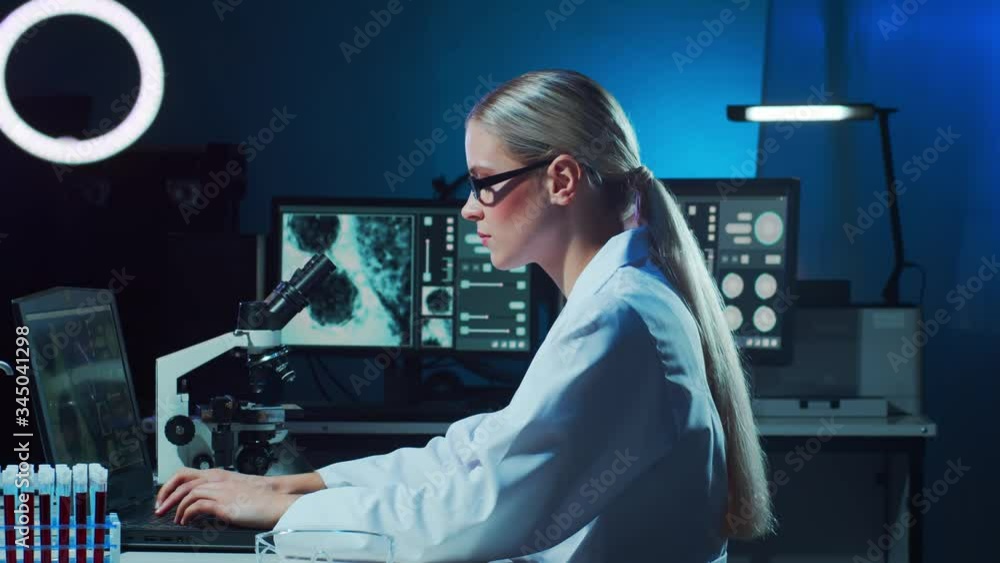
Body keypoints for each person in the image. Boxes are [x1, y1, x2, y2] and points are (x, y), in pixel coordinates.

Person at [154, 69, 775, 562]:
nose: (468, 211)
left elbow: (476, 513)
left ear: (561, 179)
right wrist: (301, 486)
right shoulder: (621, 301)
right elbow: (474, 453)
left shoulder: (617, 319)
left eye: (484, 182)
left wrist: (282, 514)